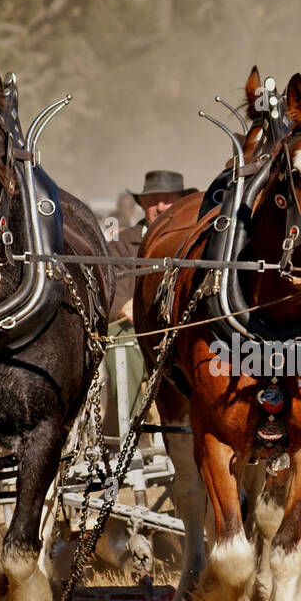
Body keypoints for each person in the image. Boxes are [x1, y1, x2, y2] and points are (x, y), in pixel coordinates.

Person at [106, 171, 196, 434]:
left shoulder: (195, 240)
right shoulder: (123, 243)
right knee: (123, 344)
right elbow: (114, 289)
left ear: (181, 203)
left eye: (167, 200)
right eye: (153, 200)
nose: (160, 207)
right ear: (143, 205)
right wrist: (130, 305)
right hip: (134, 328)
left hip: (183, 329)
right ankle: (129, 430)